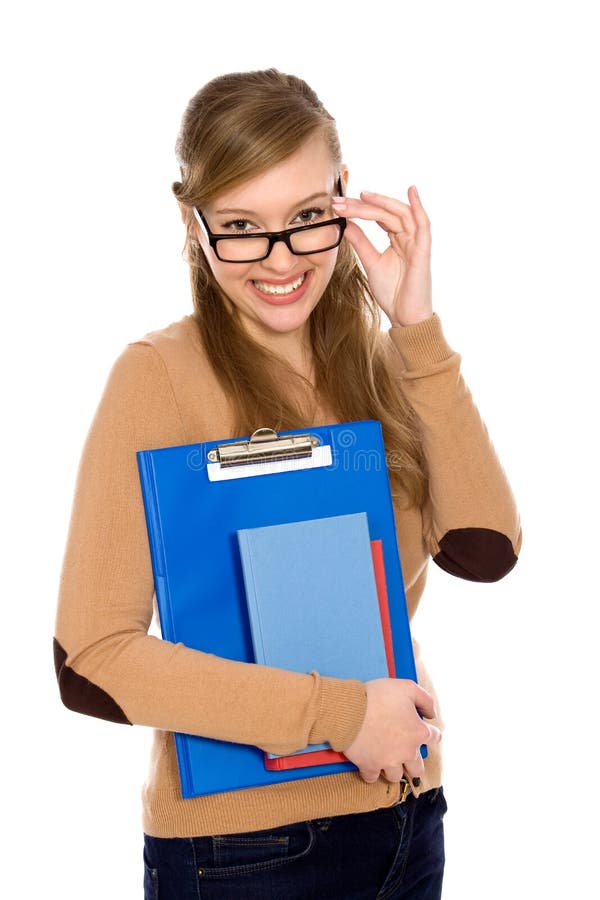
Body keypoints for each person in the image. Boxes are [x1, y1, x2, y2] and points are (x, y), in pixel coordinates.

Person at [54, 68, 522, 899]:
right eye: (241, 226)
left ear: (344, 197)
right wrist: (343, 716)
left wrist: (415, 330)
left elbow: (485, 549)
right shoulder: (159, 375)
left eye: (307, 219)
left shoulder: (392, 367)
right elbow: (91, 662)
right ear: (192, 223)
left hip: (405, 814)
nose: (280, 260)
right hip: (243, 850)